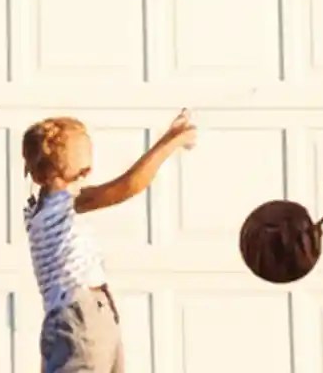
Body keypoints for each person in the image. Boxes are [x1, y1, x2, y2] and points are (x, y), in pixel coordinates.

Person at [22, 110, 197, 373]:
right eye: (81, 170)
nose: (87, 175)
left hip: (88, 315)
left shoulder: (41, 208)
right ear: (51, 175)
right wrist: (172, 141)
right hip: (79, 316)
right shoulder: (62, 203)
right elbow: (129, 185)